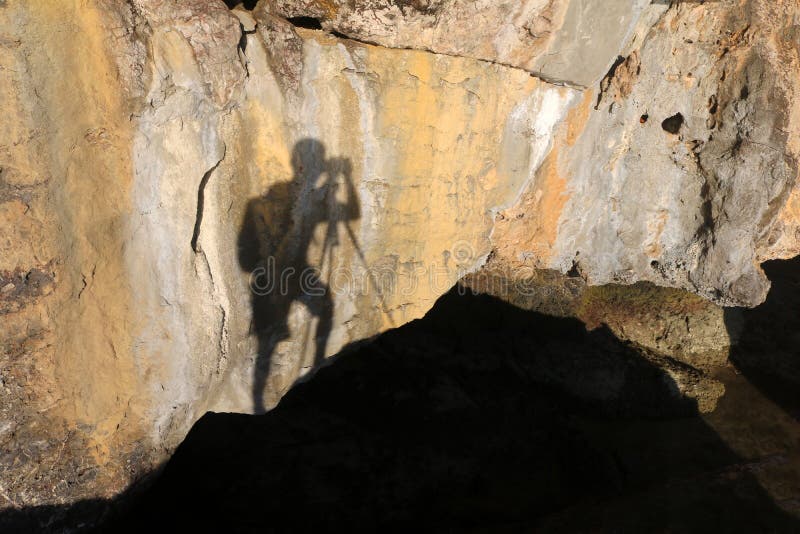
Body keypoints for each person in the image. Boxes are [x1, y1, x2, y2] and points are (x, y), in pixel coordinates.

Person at [238, 139, 359, 412]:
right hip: (279, 272)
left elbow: (352, 211)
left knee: (325, 307)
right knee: (267, 343)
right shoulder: (291, 194)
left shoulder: (310, 196)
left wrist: (345, 180)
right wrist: (341, 179)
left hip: (295, 271)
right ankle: (259, 400)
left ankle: (316, 364)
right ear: (301, 166)